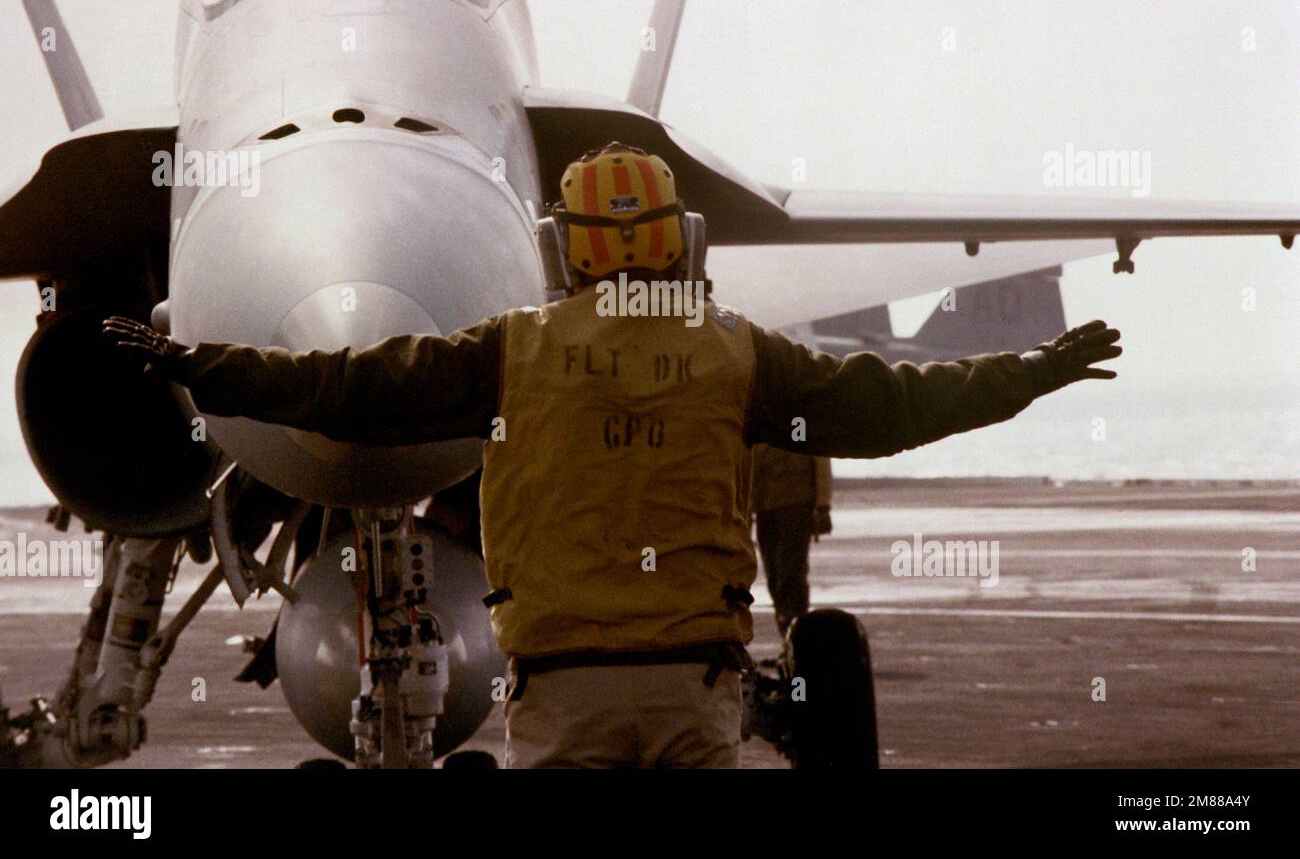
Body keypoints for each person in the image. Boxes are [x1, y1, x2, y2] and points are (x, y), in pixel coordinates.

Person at [103, 141, 1123, 768]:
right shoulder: (736, 352)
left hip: (565, 699)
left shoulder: (511, 352)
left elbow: (345, 388)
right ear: (678, 240)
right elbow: (895, 405)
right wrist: (1027, 372)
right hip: (693, 694)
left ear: (568, 246)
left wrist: (208, 366)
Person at [750, 446, 832, 637]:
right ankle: (789, 639)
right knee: (775, 577)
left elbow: (820, 457)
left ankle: (796, 638)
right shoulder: (758, 419)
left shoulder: (804, 419)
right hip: (764, 506)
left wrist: (823, 505)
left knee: (791, 575)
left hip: (797, 505)